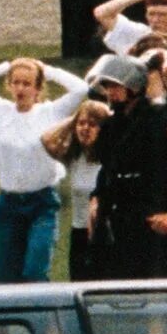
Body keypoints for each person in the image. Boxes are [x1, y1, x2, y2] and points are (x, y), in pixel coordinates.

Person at [0, 57, 90, 284]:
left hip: (42, 203)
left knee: (35, 270)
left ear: (38, 88)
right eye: (16, 82)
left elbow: (80, 89)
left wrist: (46, 69)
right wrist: (5, 66)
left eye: (27, 84)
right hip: (9, 204)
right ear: (9, 85)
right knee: (7, 275)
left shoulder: (51, 112)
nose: (20, 89)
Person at [88, 50, 167, 280]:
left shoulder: (163, 119)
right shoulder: (113, 126)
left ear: (134, 86)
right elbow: (110, 170)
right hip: (122, 224)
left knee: (165, 298)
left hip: (159, 223)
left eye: (116, 86)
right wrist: (97, 198)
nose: (111, 92)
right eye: (107, 86)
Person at [44, 99, 114, 282]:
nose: (85, 129)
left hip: (106, 234)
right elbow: (47, 139)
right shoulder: (74, 156)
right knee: (78, 286)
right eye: (81, 124)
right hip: (79, 232)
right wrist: (74, 118)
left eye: (92, 124)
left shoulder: (112, 156)